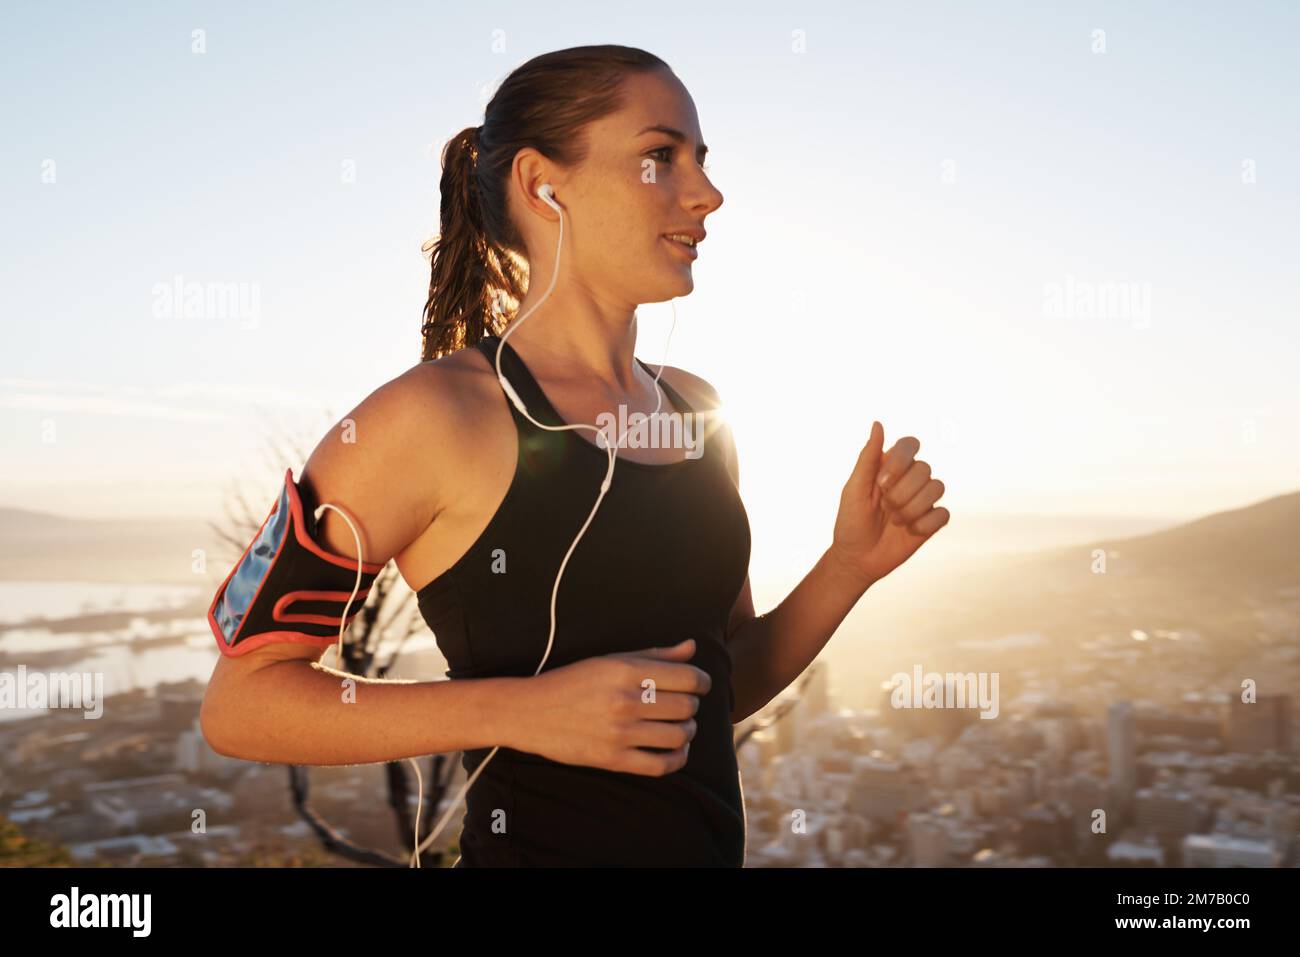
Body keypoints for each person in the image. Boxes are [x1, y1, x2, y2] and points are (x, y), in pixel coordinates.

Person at [200, 43, 949, 867]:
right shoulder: (434, 417)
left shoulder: (697, 409)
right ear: (540, 183)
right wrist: (517, 711)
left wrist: (848, 565)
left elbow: (720, 686)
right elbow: (241, 704)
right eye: (660, 157)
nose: (708, 193)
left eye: (700, 159)